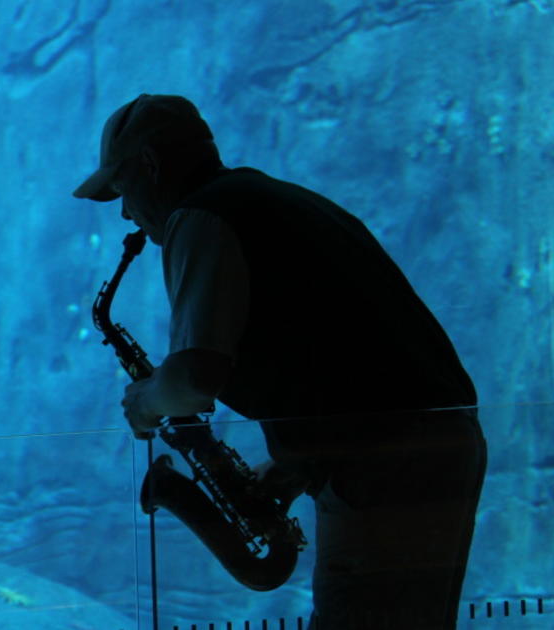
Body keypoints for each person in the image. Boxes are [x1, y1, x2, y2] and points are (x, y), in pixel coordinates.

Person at [73, 94, 487, 629]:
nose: (127, 212)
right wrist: (298, 464)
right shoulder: (282, 202)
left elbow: (195, 378)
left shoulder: (201, 217)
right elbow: (344, 358)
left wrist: (147, 399)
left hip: (384, 469)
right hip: (434, 452)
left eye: (123, 190)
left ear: (150, 165)